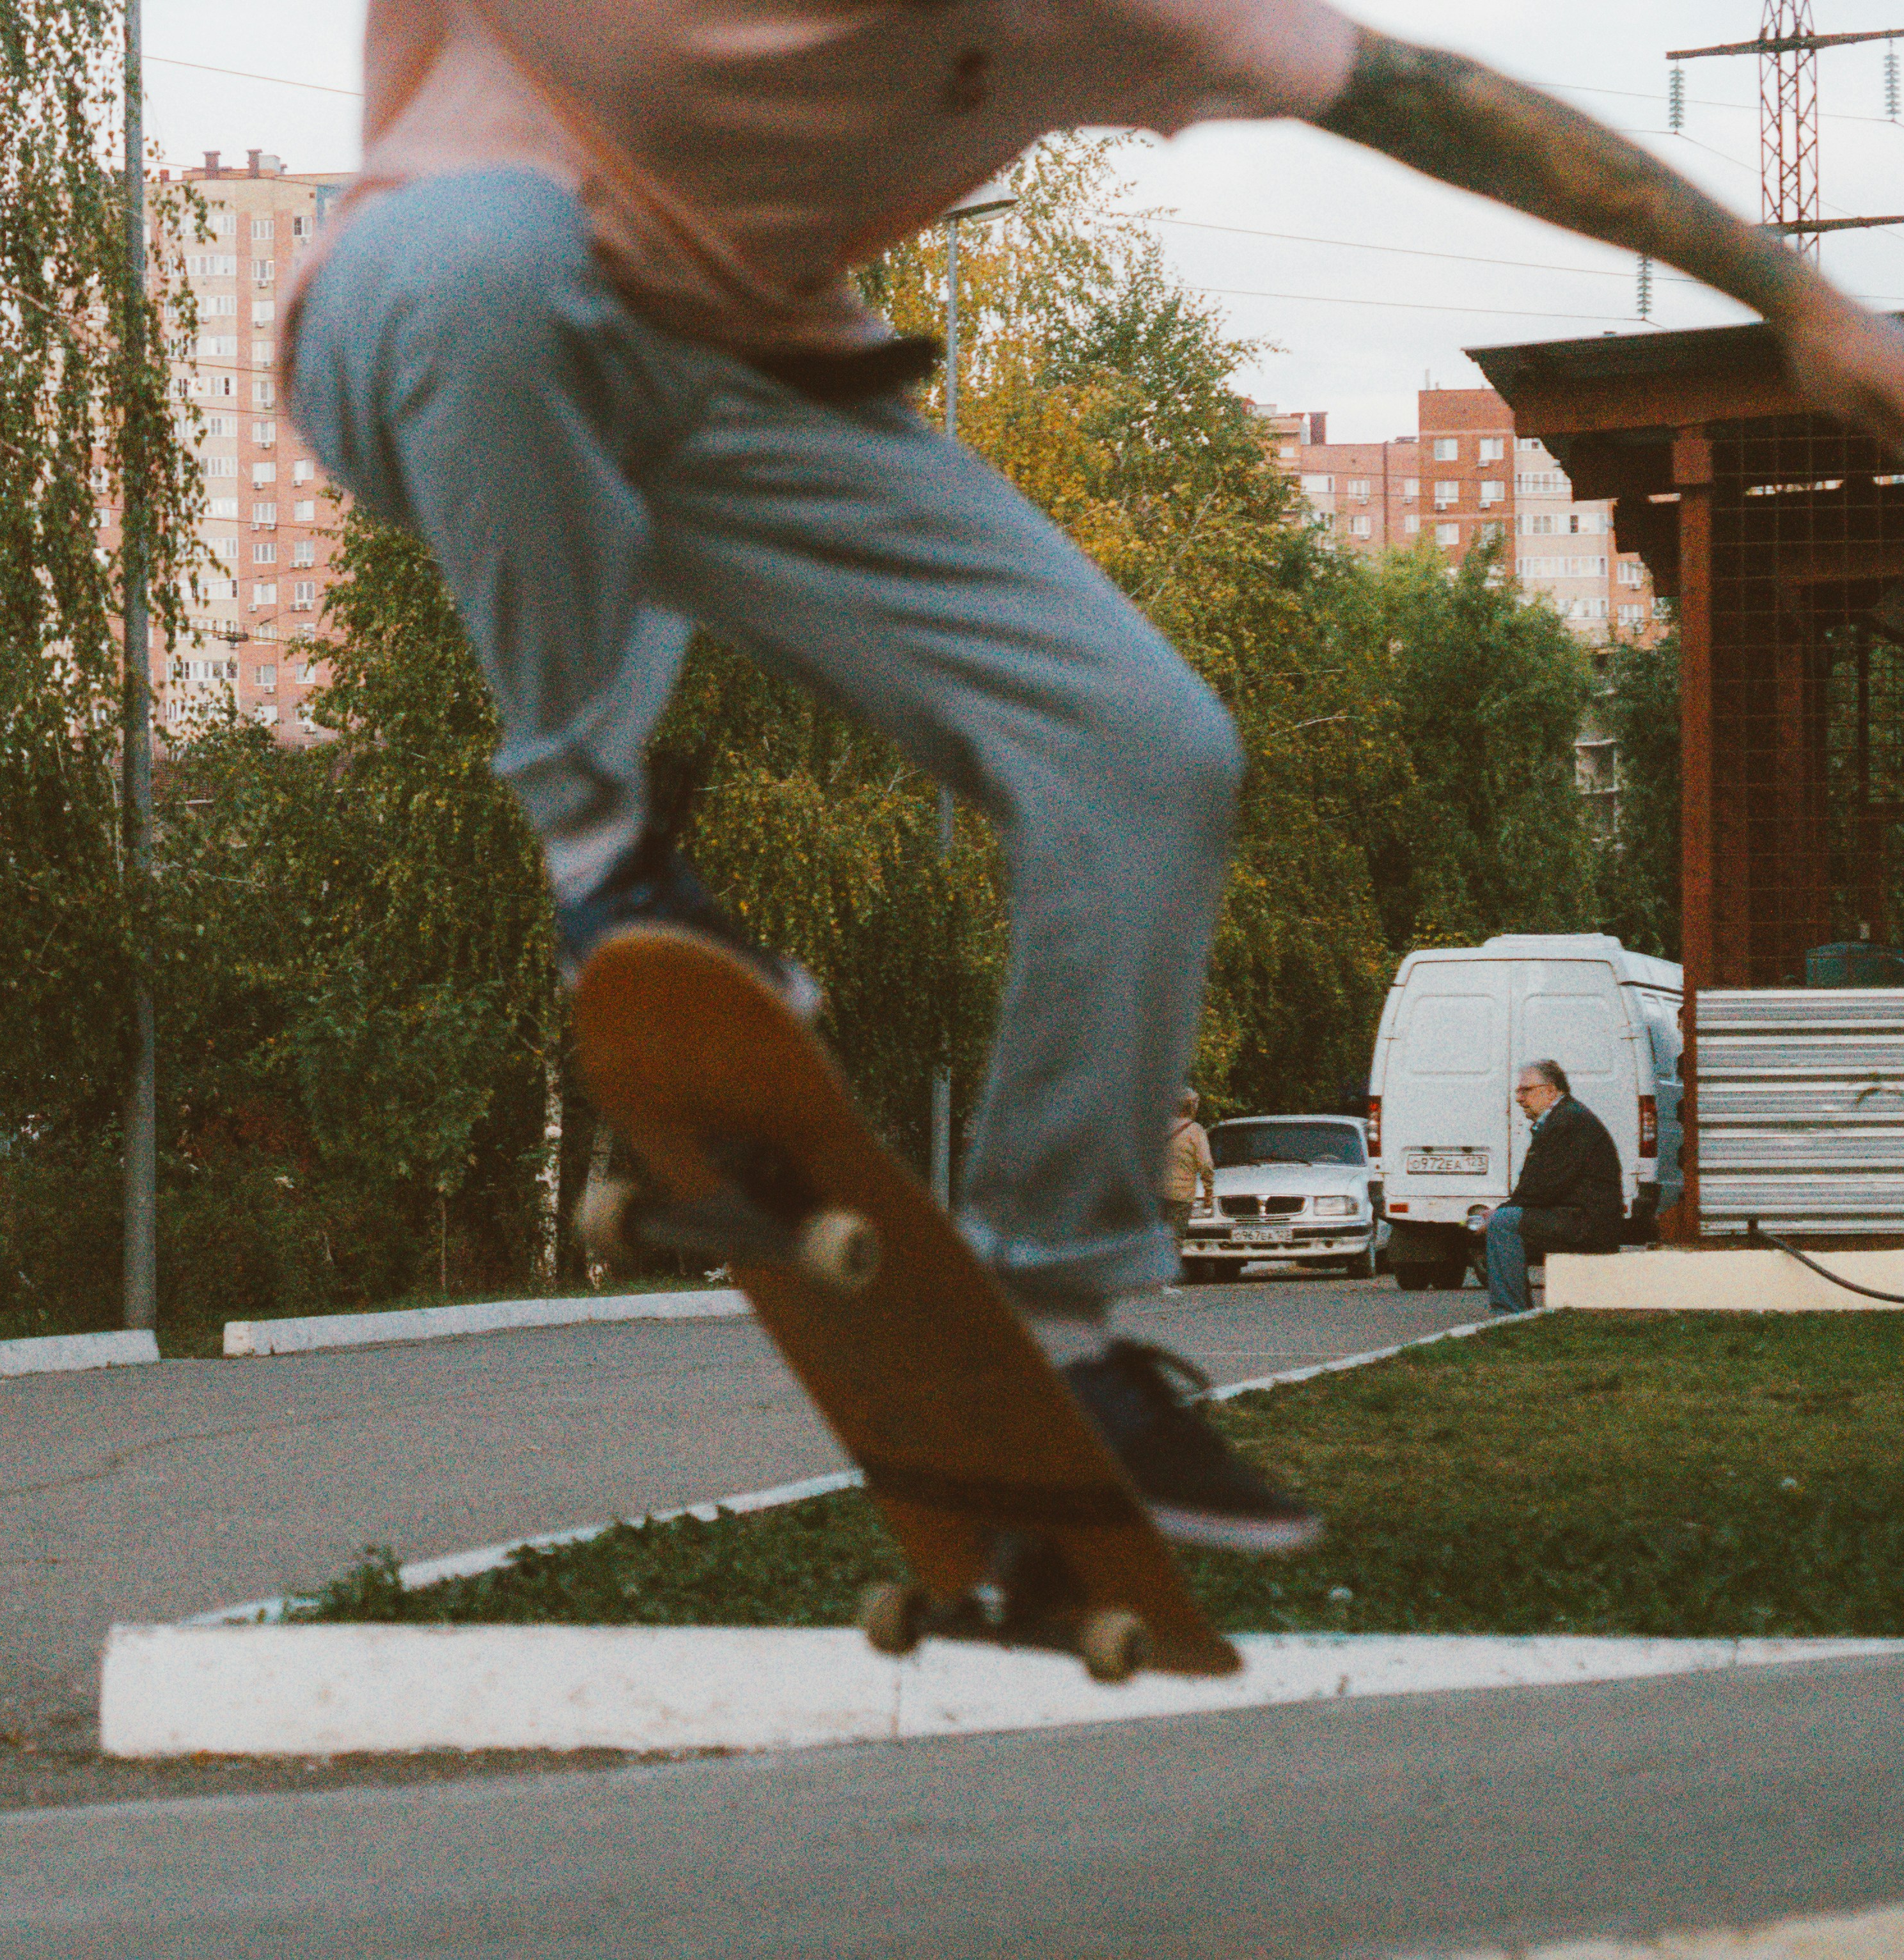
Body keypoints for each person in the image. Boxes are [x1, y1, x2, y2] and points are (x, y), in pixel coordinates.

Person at [286, 1, 1904, 1554]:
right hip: (418, 313)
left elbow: (1440, 103)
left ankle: (1043, 1339)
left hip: (749, 392)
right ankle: (605, 857)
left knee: (1147, 750)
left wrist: (1793, 297)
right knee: (490, 260)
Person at [1474, 1060, 1622, 1318]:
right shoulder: (1563, 1118)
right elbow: (1539, 1184)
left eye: (1526, 1090)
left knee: (1504, 1223)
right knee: (1502, 1219)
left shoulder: (1568, 1122)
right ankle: (1513, 1310)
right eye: (1518, 1091)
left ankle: (1510, 1314)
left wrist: (1499, 1213)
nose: (1519, 1098)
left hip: (1588, 1222)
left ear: (1551, 1091)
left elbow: (1545, 1186)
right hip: (1577, 1214)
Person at [1161, 1091, 1215, 1246]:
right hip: (1181, 1195)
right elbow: (1206, 1164)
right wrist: (1208, 1192)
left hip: (1157, 1193)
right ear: (1192, 1107)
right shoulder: (1195, 1130)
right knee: (1174, 1240)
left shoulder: (1160, 1127)